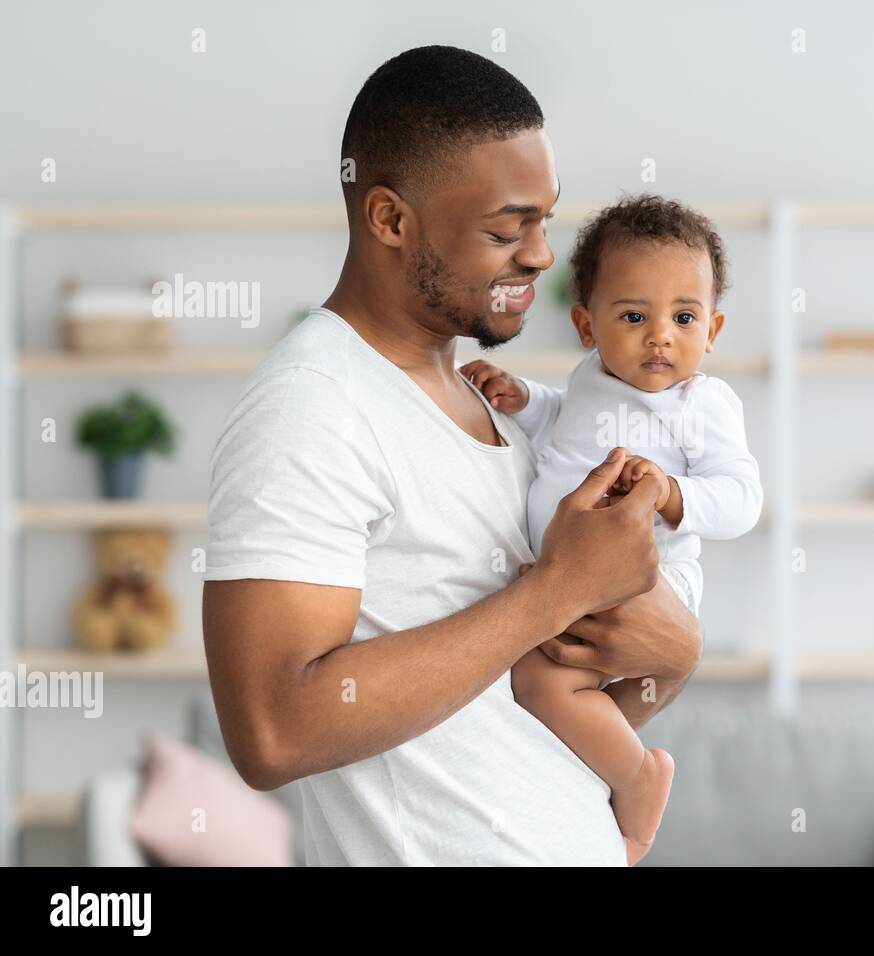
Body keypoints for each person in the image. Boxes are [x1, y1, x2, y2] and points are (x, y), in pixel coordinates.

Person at [201, 45, 702, 867]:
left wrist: (671, 654)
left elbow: (502, 720)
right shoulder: (313, 406)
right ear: (392, 220)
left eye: (545, 219)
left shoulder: (493, 407)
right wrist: (560, 590)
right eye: (507, 229)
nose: (542, 254)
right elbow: (271, 732)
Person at [459, 194, 762, 858]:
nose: (660, 336)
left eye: (684, 318)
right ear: (586, 325)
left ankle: (636, 776)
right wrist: (525, 401)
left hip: (648, 586)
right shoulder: (593, 380)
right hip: (577, 584)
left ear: (711, 331)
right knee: (536, 693)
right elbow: (568, 425)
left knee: (542, 685)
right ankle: (593, 775)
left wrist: (670, 492)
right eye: (634, 315)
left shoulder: (701, 403)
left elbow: (743, 498)